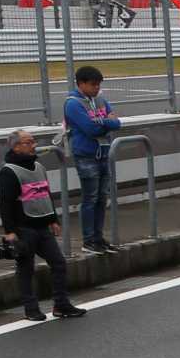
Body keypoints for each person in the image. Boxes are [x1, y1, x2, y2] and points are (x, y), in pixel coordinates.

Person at [0, 128, 82, 321]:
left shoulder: (38, 167)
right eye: (28, 142)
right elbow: (5, 204)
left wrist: (53, 219)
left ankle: (61, 305)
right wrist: (10, 232)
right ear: (16, 147)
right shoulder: (8, 172)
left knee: (58, 263)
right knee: (26, 268)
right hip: (23, 227)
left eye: (33, 141)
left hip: (42, 225)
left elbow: (45, 194)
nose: (33, 145)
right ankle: (31, 308)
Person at [62, 64, 122, 253]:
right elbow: (90, 128)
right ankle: (89, 240)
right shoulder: (73, 103)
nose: (97, 88)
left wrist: (103, 122)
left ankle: (98, 237)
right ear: (81, 84)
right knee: (90, 198)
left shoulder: (101, 100)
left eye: (98, 85)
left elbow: (117, 123)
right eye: (93, 85)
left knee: (102, 198)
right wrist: (107, 122)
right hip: (86, 155)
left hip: (103, 153)